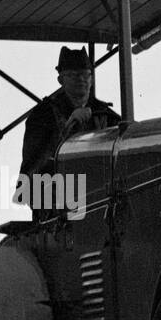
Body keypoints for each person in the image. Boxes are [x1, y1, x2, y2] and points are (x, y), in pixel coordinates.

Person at [19, 47, 120, 219]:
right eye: (72, 75)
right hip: (56, 205)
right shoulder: (43, 115)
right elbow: (34, 167)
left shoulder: (106, 115)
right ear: (60, 80)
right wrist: (68, 129)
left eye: (85, 74)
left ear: (92, 78)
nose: (80, 79)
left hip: (100, 201)